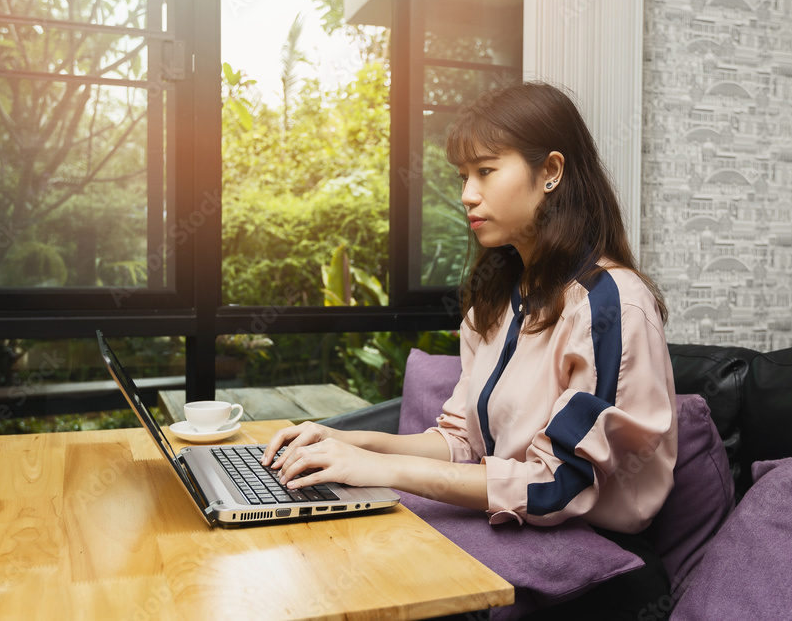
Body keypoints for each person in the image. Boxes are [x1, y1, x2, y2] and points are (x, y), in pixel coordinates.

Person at [262, 81, 677, 618]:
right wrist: (345, 442)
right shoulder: (498, 301)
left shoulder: (609, 304)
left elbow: (557, 485)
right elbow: (462, 441)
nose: (467, 195)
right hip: (517, 535)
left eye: (486, 171)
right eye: (463, 177)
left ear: (550, 171)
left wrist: (377, 468)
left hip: (597, 573)